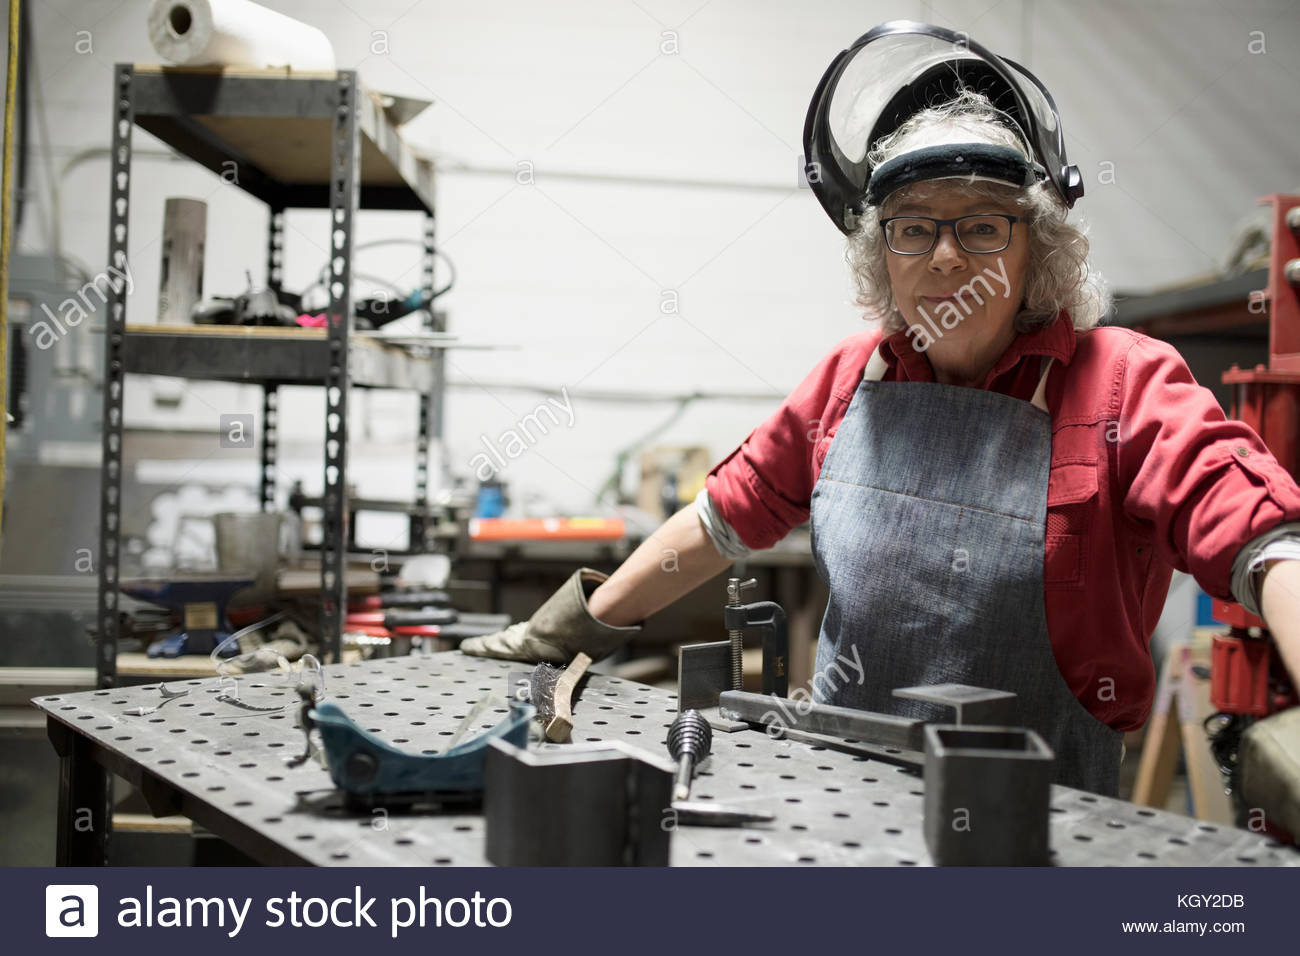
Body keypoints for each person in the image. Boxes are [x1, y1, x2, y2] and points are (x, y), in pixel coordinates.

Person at [462, 22, 1300, 797]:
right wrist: (568, 630)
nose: (943, 255)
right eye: (912, 227)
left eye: (981, 226)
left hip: (1043, 818)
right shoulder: (847, 382)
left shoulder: (1122, 380)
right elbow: (723, 520)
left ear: (1034, 243)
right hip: (840, 793)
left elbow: (1263, 543)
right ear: (880, 252)